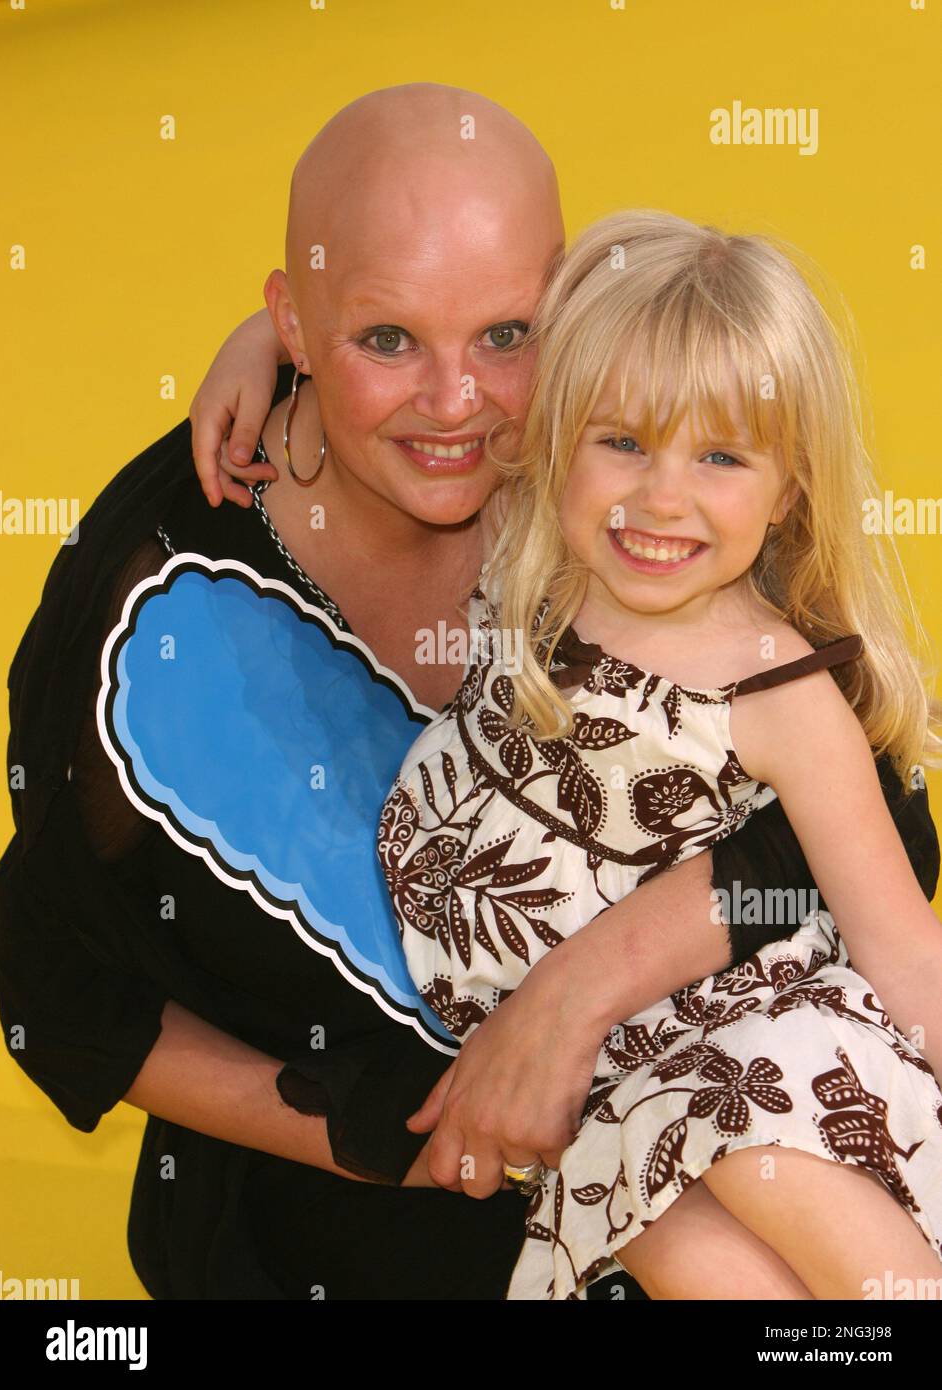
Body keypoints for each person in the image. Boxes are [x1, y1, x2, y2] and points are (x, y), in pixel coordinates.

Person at [0, 85, 936, 1301]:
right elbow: (54, 987)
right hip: (346, 1232)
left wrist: (574, 992)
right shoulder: (150, 614)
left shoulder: (595, 490)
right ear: (296, 322)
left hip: (689, 1089)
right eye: (384, 340)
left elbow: (872, 828)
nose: (456, 404)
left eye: (506, 333)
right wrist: (397, 1140)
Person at [379, 208, 942, 1300]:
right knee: (707, 1271)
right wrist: (265, 347)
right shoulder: (531, 544)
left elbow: (901, 942)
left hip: (751, 1038)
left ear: (790, 490)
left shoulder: (779, 687)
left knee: (795, 1193)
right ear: (558, 435)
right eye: (624, 440)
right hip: (604, 1082)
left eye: (721, 455)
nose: (660, 496)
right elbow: (426, 392)